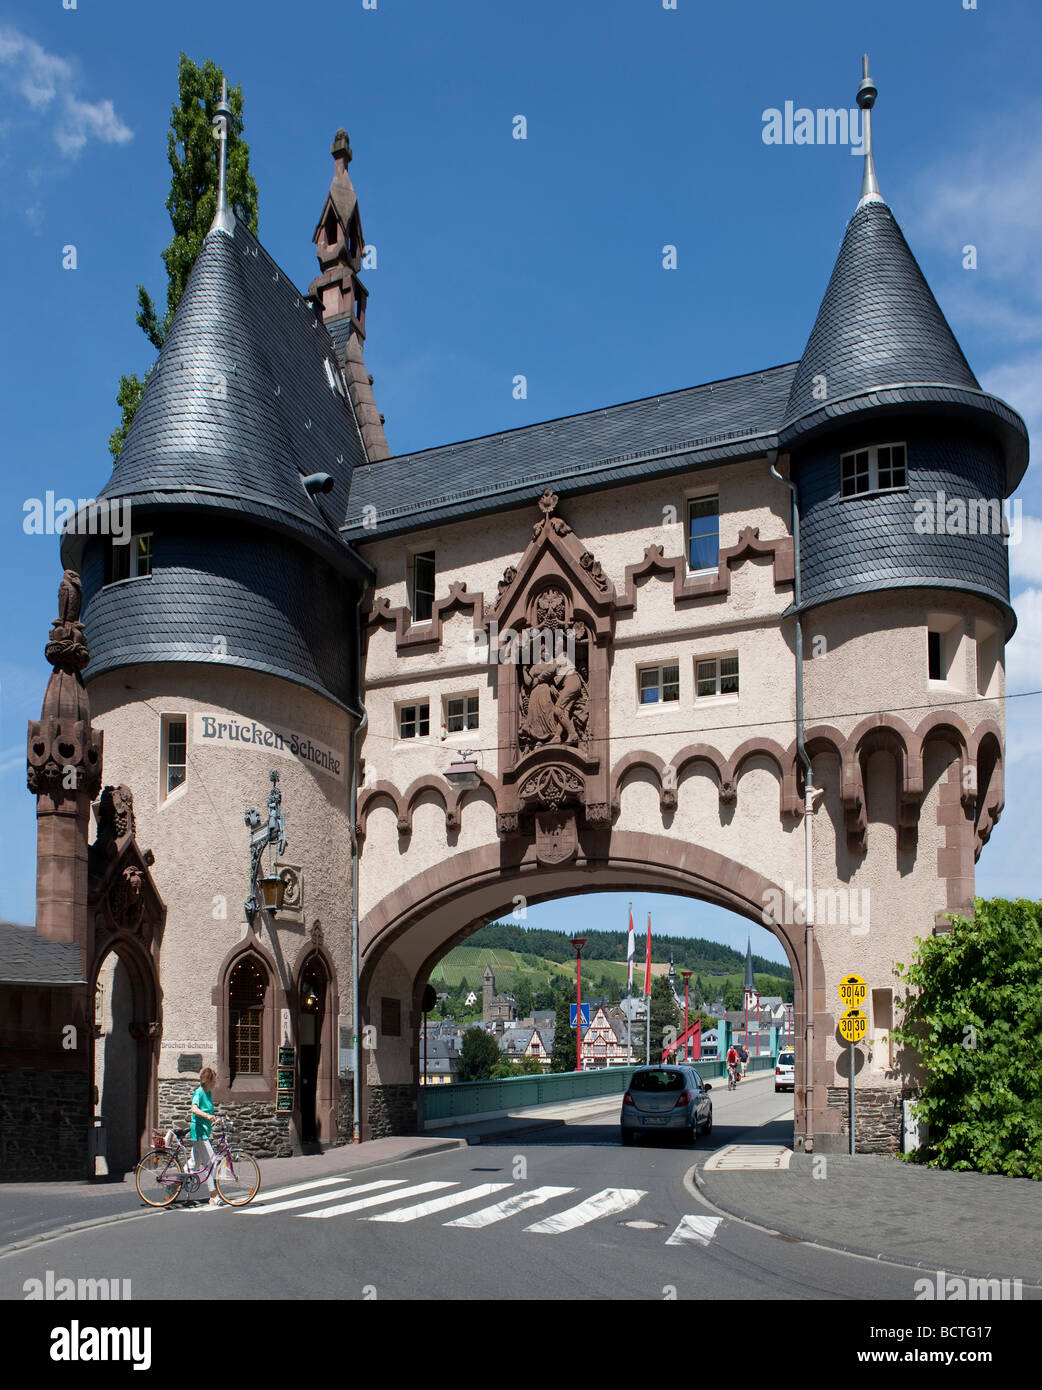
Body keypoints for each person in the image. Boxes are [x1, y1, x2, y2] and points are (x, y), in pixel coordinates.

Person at [188, 1067, 223, 1206]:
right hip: (199, 1133)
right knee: (211, 1162)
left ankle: (173, 1187)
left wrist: (216, 1118)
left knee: (194, 1165)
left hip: (204, 1132)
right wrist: (207, 1116)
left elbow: (209, 1112)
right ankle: (213, 1195)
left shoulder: (208, 1094)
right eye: (214, 1080)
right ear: (208, 1081)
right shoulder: (199, 1092)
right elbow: (194, 1109)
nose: (215, 1083)